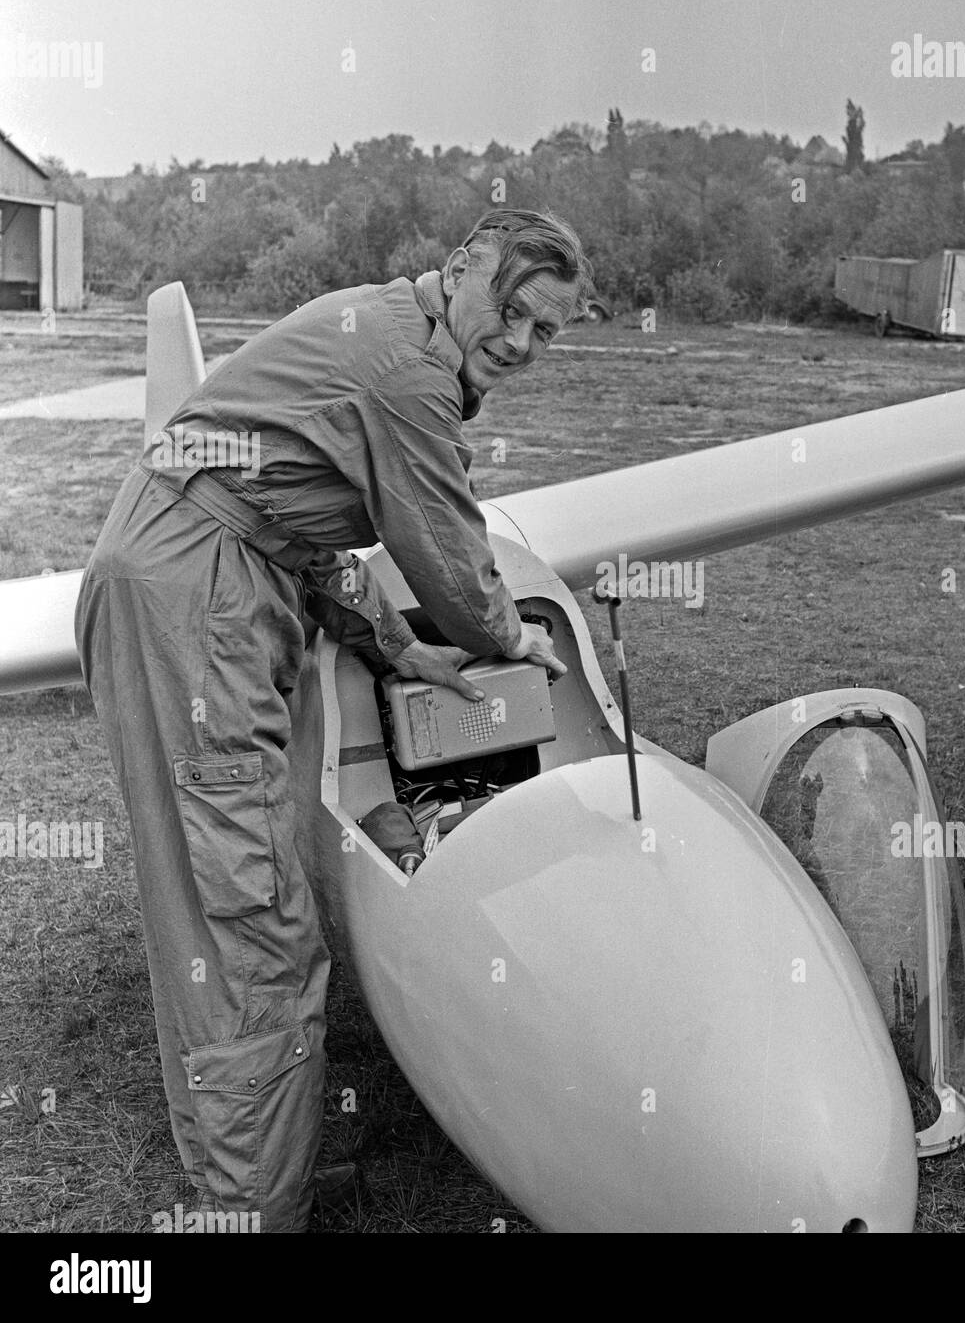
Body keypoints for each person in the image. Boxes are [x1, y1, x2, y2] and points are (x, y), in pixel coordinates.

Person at [74, 207, 590, 1230]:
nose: (523, 346)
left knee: (214, 914)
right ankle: (249, 1208)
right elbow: (448, 551)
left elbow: (299, 525)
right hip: (197, 599)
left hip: (202, 572)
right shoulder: (408, 375)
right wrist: (507, 638)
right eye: (514, 314)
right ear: (461, 272)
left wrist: (398, 649)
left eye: (549, 333)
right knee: (252, 922)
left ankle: (251, 1177)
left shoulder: (381, 333)